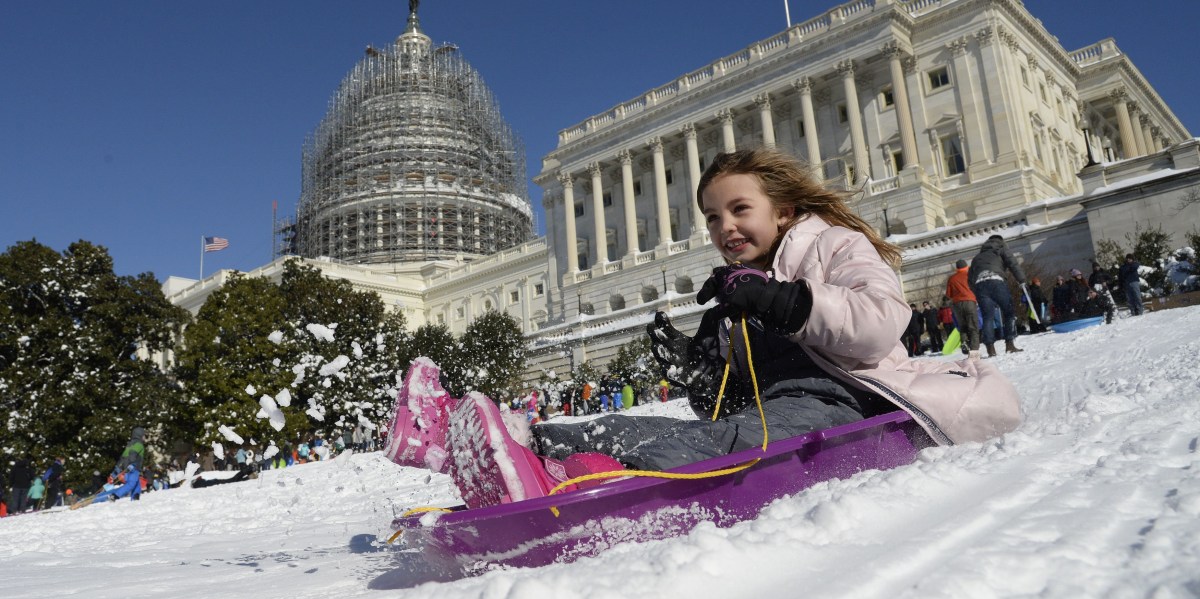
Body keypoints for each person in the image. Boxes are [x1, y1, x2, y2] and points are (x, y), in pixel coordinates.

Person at [391, 148, 1020, 510]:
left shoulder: (833, 245)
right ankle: (503, 439)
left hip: (843, 405)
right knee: (653, 428)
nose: (725, 228)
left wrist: (782, 302)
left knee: (710, 451)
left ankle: (555, 473)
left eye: (740, 210)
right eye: (713, 218)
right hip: (773, 414)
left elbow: (883, 323)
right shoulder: (733, 294)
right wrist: (692, 370)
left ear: (784, 209)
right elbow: (720, 403)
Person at [968, 235, 1027, 357]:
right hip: (996, 281)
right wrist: (1022, 280)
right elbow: (1013, 264)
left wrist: (977, 291)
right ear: (1001, 242)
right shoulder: (1001, 249)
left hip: (980, 285)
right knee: (1009, 313)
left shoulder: (976, 258)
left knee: (987, 317)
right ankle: (1009, 344)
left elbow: (970, 279)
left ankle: (990, 349)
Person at [945, 259, 981, 359]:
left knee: (963, 326)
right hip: (970, 302)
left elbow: (948, 295)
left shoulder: (951, 279)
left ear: (957, 268)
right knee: (973, 327)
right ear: (966, 266)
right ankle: (974, 352)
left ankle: (964, 342)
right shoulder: (970, 275)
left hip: (957, 305)